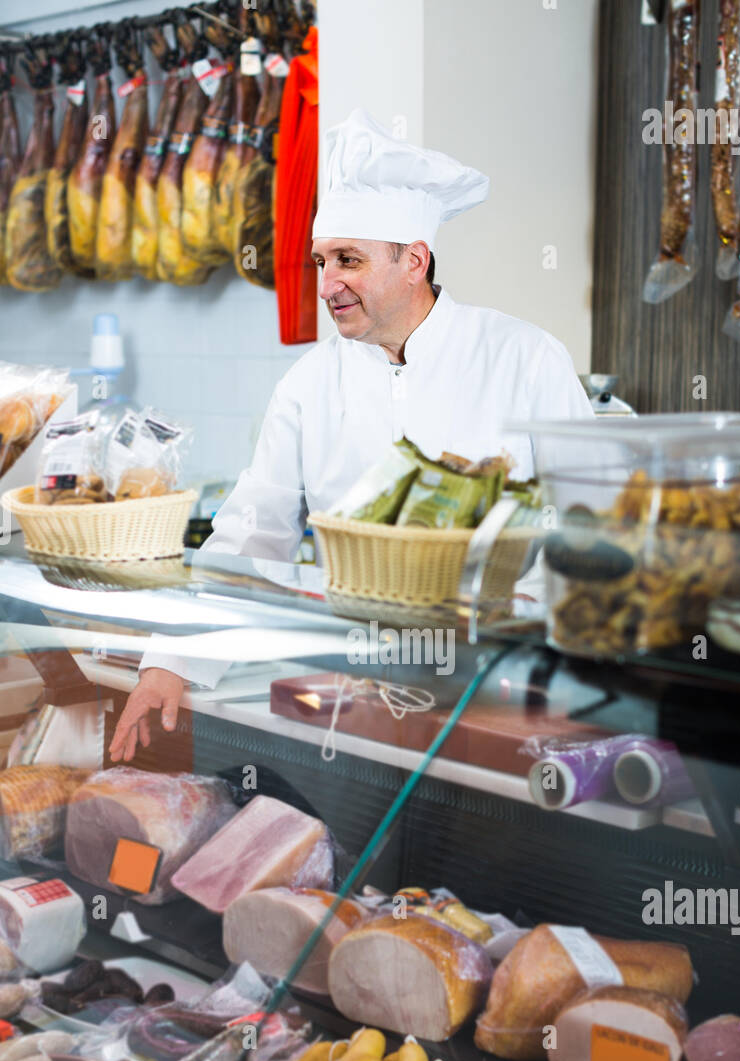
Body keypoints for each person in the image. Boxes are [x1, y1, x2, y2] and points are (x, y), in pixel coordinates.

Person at [110, 108, 593, 763]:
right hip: (352, 701)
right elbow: (255, 533)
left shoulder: (525, 358)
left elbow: (591, 529)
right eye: (321, 261)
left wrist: (527, 628)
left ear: (414, 260)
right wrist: (169, 662)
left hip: (503, 693)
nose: (327, 283)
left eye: (348, 260)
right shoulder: (309, 384)